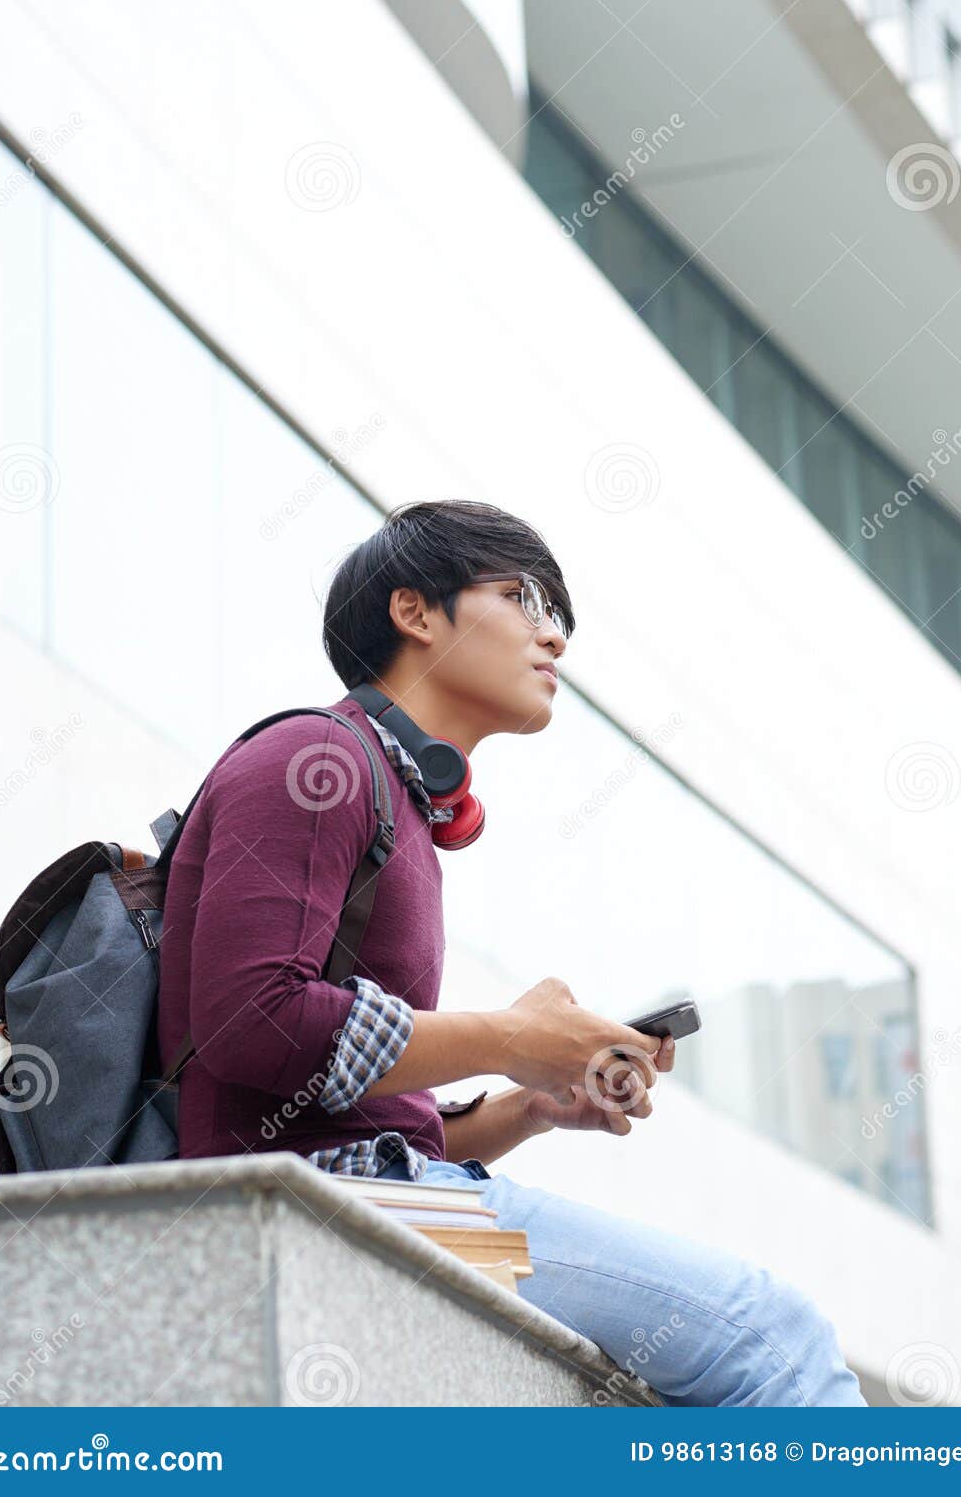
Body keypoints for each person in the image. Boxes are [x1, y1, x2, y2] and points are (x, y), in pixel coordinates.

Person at [158, 499, 866, 1407]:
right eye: (523, 598)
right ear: (415, 612)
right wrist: (511, 1035)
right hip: (318, 1200)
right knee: (774, 1342)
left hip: (368, 1182)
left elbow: (352, 1108)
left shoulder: (399, 802)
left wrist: (527, 1106)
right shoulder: (315, 760)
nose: (554, 639)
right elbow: (252, 1025)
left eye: (557, 616)